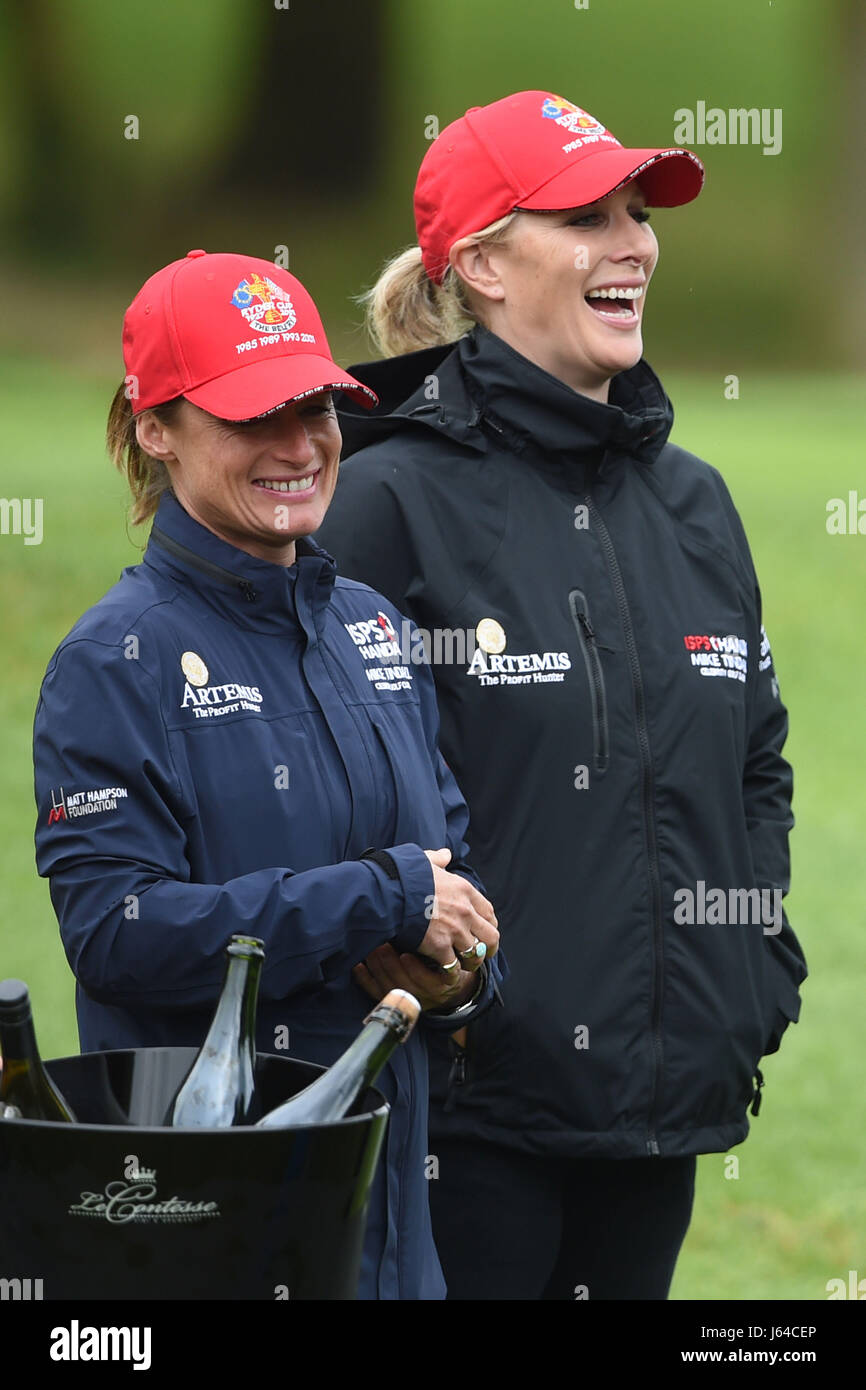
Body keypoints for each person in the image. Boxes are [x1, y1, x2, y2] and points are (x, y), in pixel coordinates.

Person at [317, 91, 808, 1300]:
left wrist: (753, 970)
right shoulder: (383, 502)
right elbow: (326, 788)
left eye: (636, 214)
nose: (631, 242)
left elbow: (753, 755)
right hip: (466, 1121)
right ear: (479, 264)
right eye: (584, 216)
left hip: (668, 1107)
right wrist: (454, 1009)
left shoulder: (694, 502)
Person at [32, 249, 503, 1302]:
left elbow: (449, 882)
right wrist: (378, 897)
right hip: (212, 1234)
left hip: (391, 1234)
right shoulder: (114, 662)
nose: (299, 446)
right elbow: (116, 932)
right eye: (253, 417)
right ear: (155, 428)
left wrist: (459, 974)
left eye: (317, 408)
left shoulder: (372, 626)